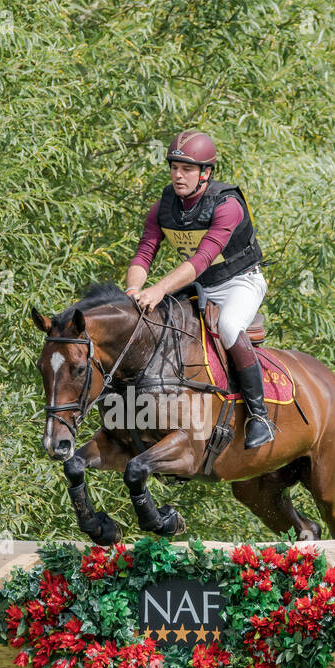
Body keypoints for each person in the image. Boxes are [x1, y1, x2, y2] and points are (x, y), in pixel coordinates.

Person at [125, 130, 274, 448]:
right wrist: (133, 290)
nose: (178, 175)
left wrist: (159, 289)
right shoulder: (164, 207)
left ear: (205, 172)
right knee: (158, 326)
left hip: (239, 283)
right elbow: (144, 252)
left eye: (187, 169)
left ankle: (259, 417)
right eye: (174, 167)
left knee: (230, 326)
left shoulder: (228, 204)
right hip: (199, 286)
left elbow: (204, 258)